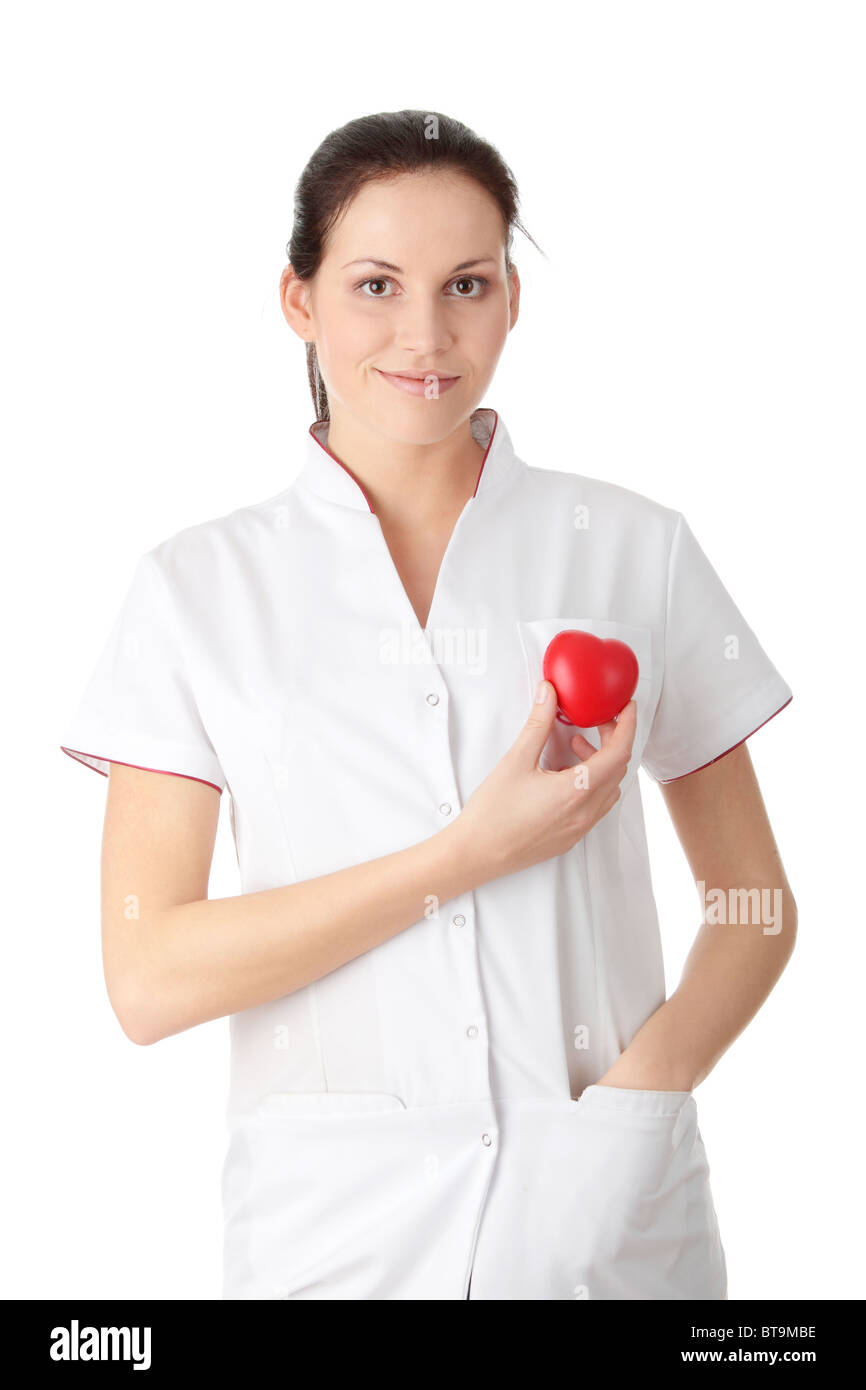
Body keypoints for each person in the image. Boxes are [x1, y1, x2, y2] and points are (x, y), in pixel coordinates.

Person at [59, 109, 796, 1301]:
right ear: (298, 301)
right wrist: (462, 855)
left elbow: (753, 906)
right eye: (373, 285)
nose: (423, 335)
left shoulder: (628, 549)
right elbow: (149, 977)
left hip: (610, 1236)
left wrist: (628, 1117)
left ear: (512, 300)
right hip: (332, 1245)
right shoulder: (196, 591)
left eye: (465, 284)